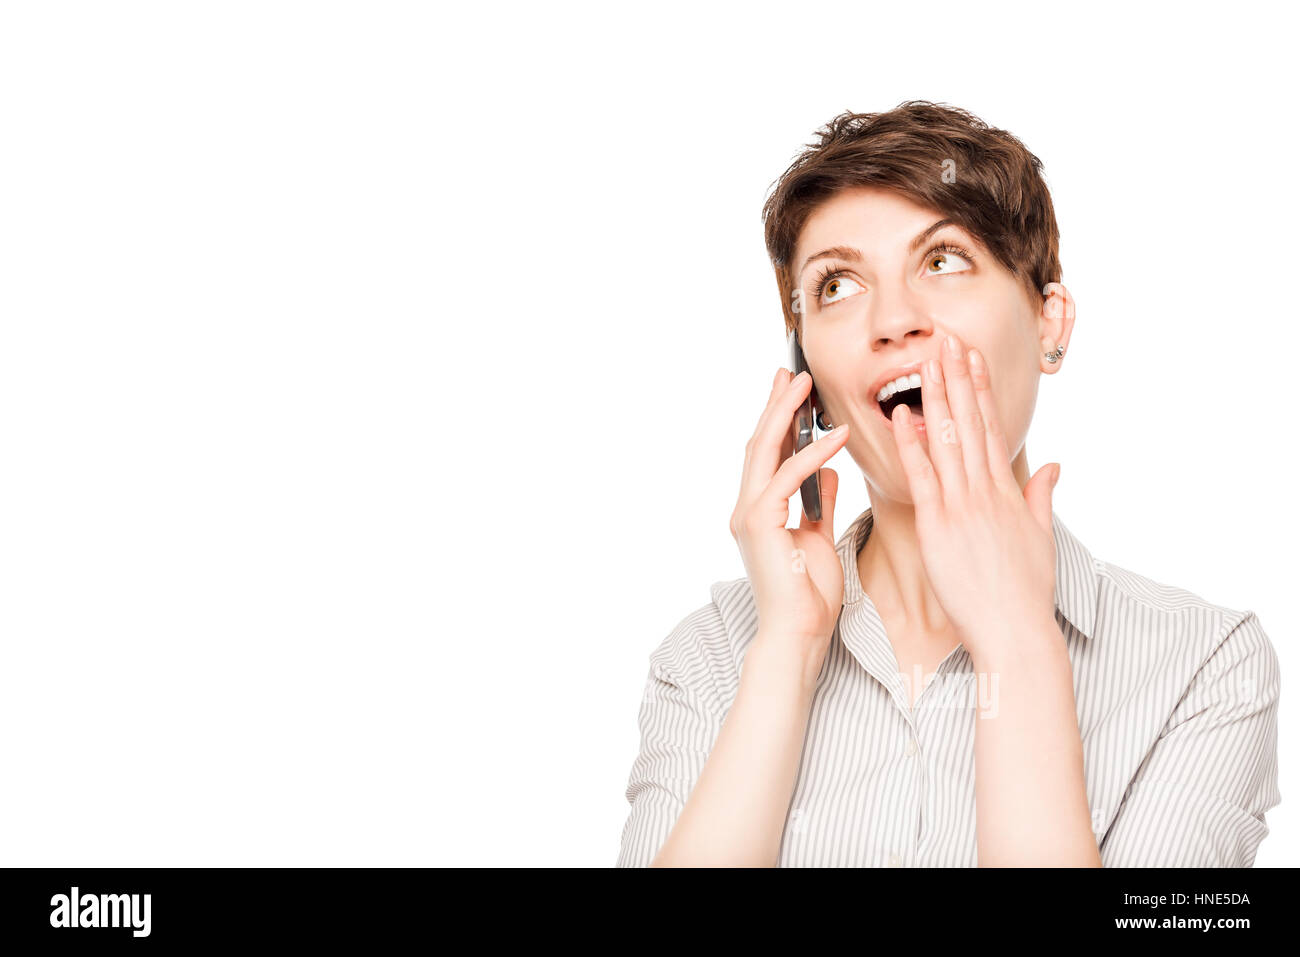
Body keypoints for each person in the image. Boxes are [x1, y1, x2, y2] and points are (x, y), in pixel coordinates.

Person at [616, 101, 1281, 868]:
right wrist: (788, 652)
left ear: (1048, 323)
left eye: (943, 260)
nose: (894, 319)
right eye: (836, 285)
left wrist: (1015, 639)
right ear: (811, 379)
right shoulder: (708, 659)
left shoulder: (1206, 665)